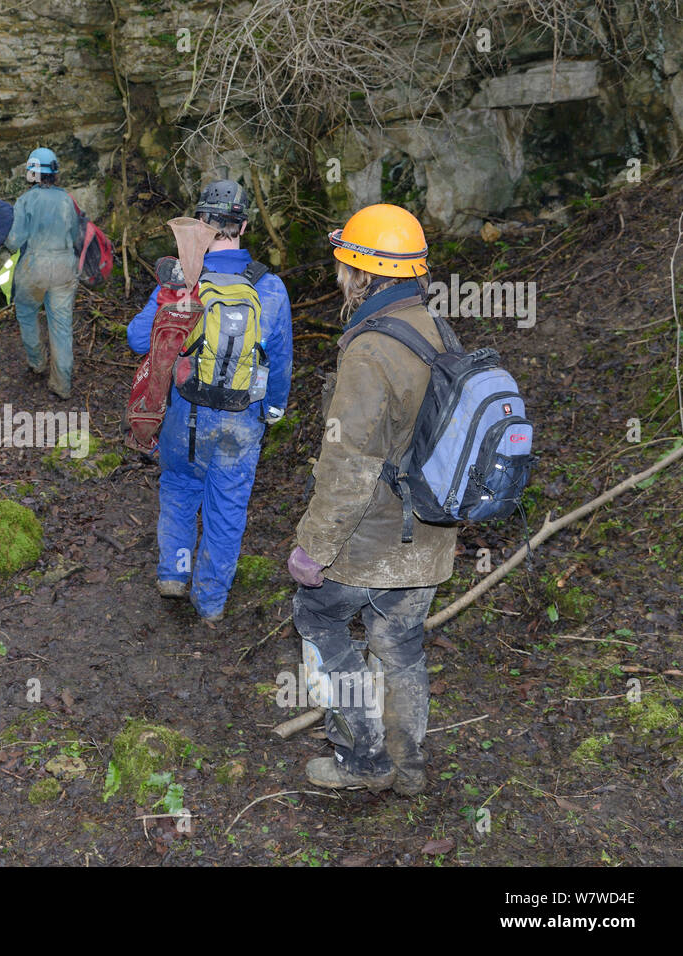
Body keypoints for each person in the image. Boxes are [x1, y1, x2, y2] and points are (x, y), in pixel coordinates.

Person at [288, 203, 457, 796]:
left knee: (318, 619)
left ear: (362, 273)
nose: (339, 276)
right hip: (433, 533)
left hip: (377, 536)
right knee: (399, 640)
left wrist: (313, 547)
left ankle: (362, 759)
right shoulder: (436, 329)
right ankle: (409, 766)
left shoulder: (370, 350)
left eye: (344, 265)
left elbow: (349, 464)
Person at [127, 179, 293, 624]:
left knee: (180, 488)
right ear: (242, 226)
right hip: (241, 421)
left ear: (200, 223)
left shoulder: (183, 280)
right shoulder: (270, 287)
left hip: (185, 414)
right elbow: (279, 363)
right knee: (228, 508)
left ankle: (174, 574)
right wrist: (273, 410)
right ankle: (211, 603)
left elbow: (137, 338)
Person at [4, 147, 82, 400]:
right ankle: (62, 383)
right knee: (61, 325)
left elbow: (14, 242)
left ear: (35, 172)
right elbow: (76, 237)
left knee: (26, 313)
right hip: (64, 267)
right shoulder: (67, 200)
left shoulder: (26, 201)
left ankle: (38, 363)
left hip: (35, 267)